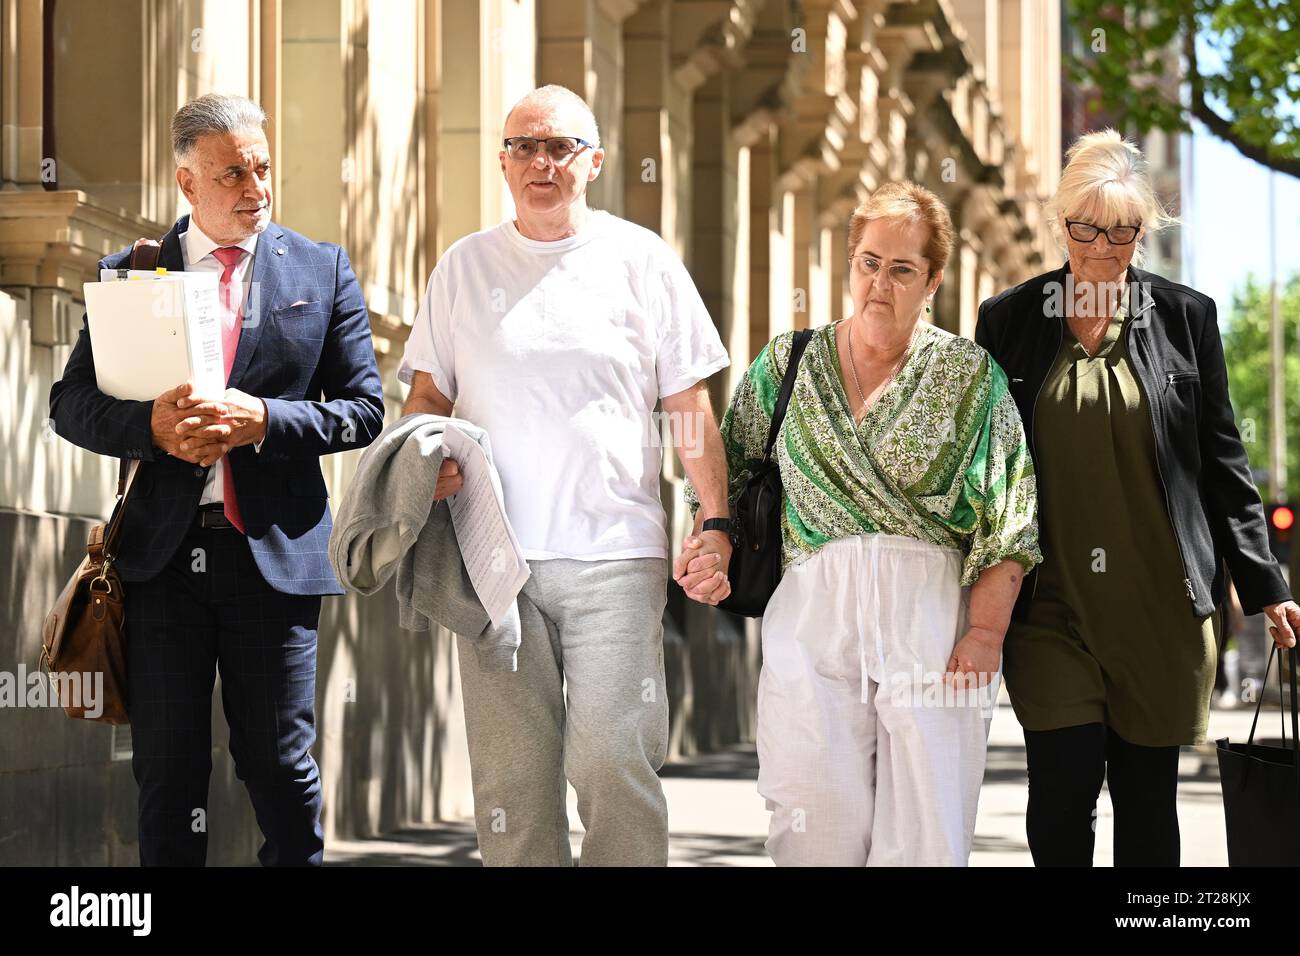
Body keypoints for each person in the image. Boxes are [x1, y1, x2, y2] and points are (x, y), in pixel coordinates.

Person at [398, 84, 734, 866]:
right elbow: (426, 395)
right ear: (503, 161)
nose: (539, 163)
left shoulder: (641, 260)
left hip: (615, 554)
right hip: (490, 562)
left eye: (559, 148)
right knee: (513, 789)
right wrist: (424, 458)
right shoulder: (462, 266)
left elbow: (687, 404)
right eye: (523, 146)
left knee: (610, 761)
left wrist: (714, 522)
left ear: (595, 161)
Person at [48, 93, 385, 865]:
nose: (255, 188)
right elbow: (70, 405)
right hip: (161, 565)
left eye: (263, 168)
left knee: (279, 768)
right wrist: (150, 427)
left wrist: (263, 420)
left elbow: (364, 411)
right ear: (187, 183)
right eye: (233, 172)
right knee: (168, 776)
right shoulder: (133, 271)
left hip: (272, 558)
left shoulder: (319, 268)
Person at [684, 181, 1041, 865]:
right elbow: (728, 474)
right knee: (810, 816)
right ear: (851, 262)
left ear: (932, 280)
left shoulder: (970, 376)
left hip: (932, 620)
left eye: (903, 268)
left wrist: (987, 633)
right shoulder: (789, 361)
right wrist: (712, 540)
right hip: (815, 611)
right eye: (870, 261)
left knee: (927, 833)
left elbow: (1010, 518)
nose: (882, 283)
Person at [975, 129, 1300, 867]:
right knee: (1059, 799)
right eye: (1087, 228)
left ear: (1142, 233)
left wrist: (1265, 579)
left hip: (1161, 608)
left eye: (1123, 231)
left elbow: (1223, 462)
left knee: (1148, 809)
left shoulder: (1186, 319)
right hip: (1051, 609)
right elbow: (985, 464)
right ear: (1062, 224)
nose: (1104, 248)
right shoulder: (1011, 321)